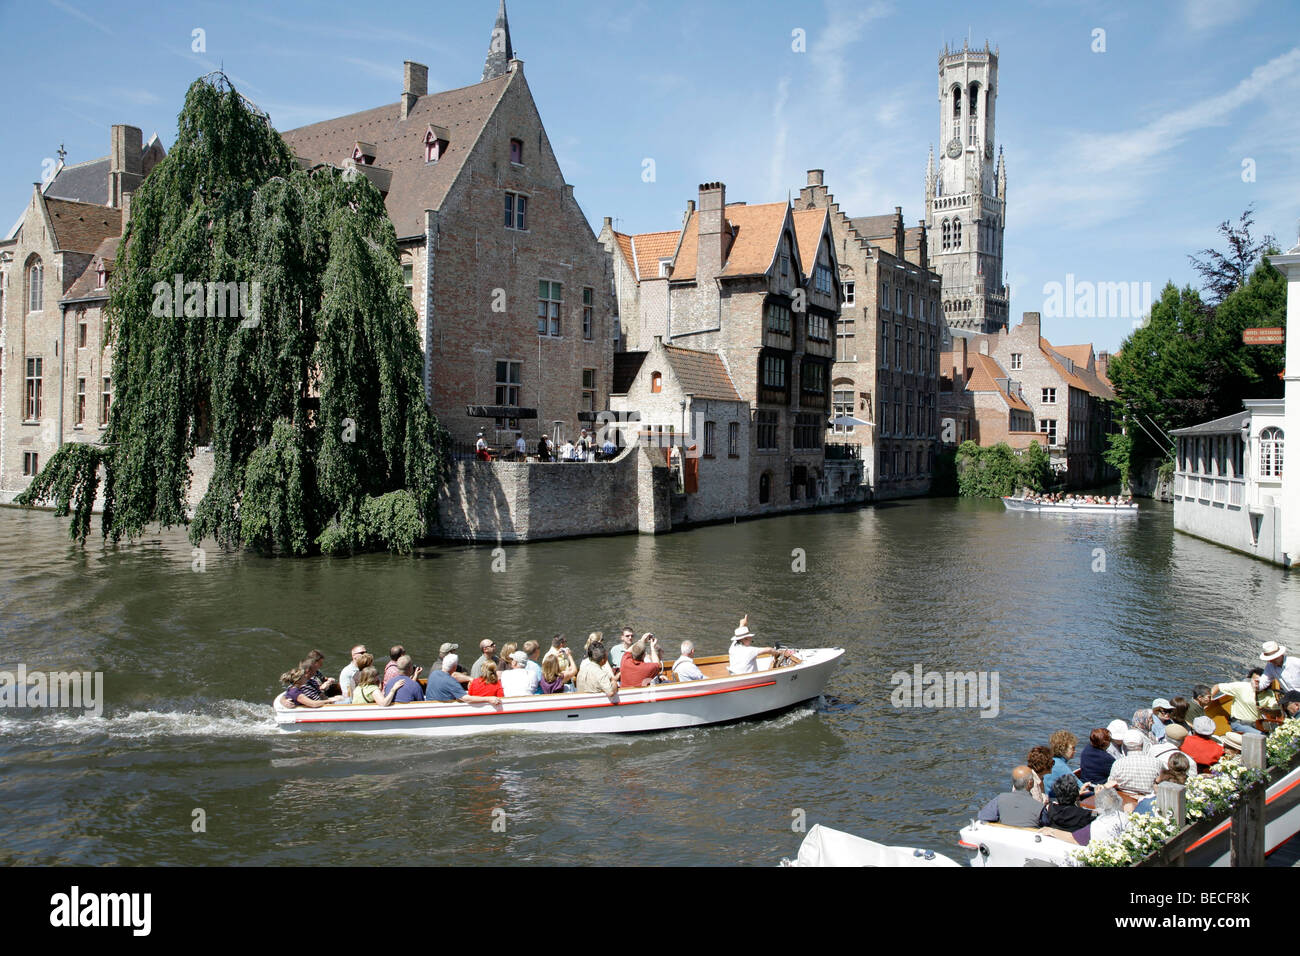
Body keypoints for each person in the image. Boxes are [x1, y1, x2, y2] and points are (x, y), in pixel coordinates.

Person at [1213, 669, 1276, 736]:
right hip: (1239, 724)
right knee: (1262, 737)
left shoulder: (1269, 693)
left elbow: (1277, 712)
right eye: (1255, 681)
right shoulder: (1241, 686)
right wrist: (1210, 697)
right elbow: (1217, 686)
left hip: (1256, 725)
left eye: (1259, 682)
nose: (1256, 684)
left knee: (1274, 736)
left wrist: (1266, 710)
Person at [976, 766, 1044, 828]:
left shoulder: (1000, 798)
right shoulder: (1039, 807)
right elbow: (1048, 824)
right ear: (1030, 783)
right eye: (1033, 778)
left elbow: (983, 816)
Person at [727, 616, 796, 674]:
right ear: (744, 639)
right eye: (749, 637)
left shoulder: (733, 646)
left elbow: (739, 633)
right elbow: (769, 650)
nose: (751, 639)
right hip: (749, 680)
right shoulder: (750, 651)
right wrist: (777, 653)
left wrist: (742, 624)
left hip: (735, 675)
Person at [426, 654, 503, 705]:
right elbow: (467, 699)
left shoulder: (434, 674)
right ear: (455, 667)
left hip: (430, 705)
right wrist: (488, 699)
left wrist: (469, 678)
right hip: (443, 710)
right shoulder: (451, 682)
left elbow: (454, 675)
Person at [1108, 729, 1163, 795]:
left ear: (1125, 745)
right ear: (1142, 744)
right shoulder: (1156, 762)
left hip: (1124, 799)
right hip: (1148, 799)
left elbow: (1110, 783)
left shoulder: (1118, 763)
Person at [1043, 731, 1077, 796]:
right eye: (1073, 748)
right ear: (1063, 748)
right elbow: (1080, 787)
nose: (1075, 751)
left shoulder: (1051, 760)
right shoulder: (1060, 766)